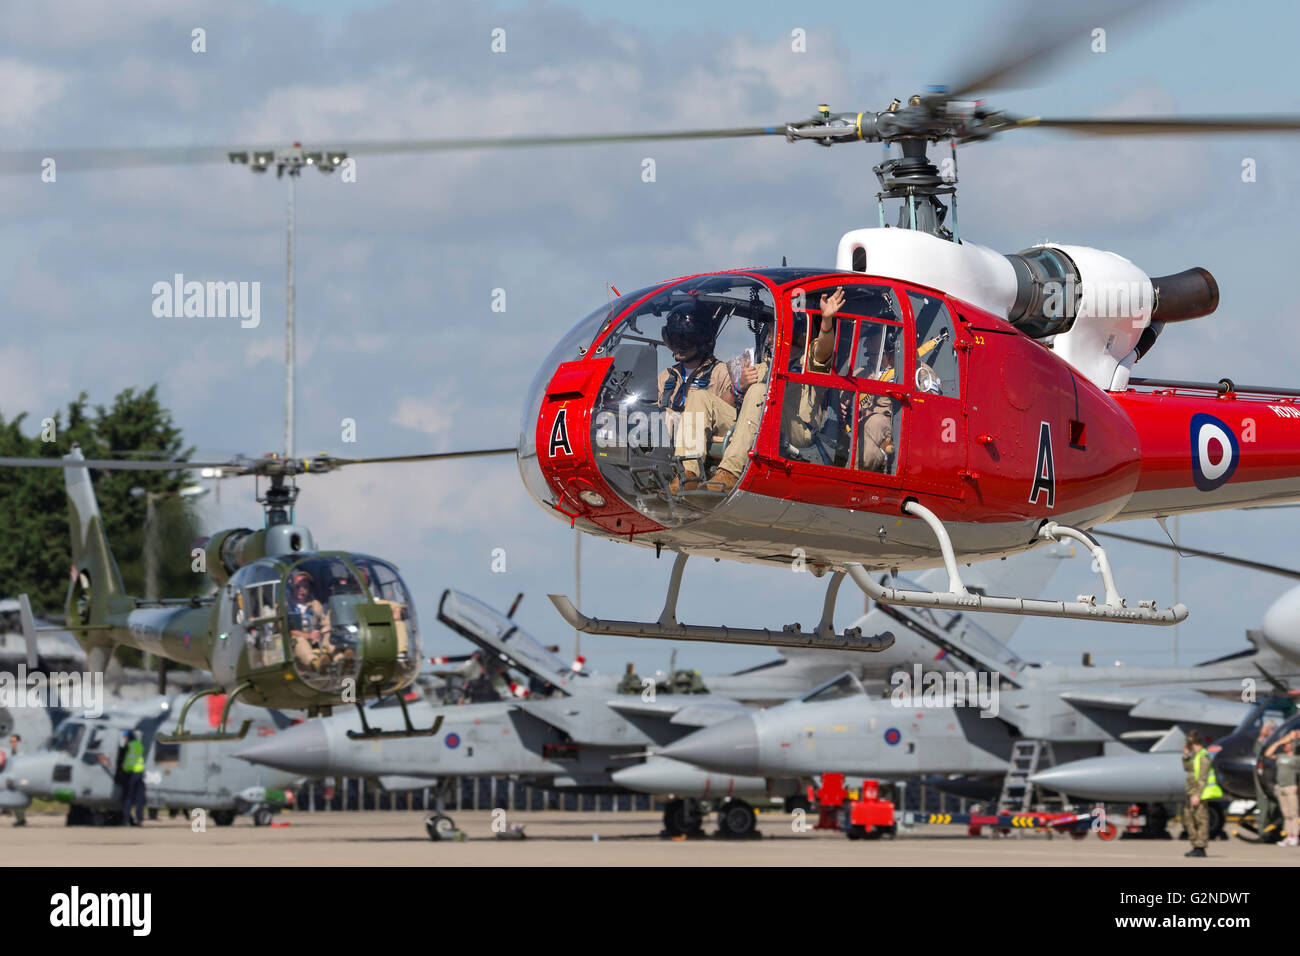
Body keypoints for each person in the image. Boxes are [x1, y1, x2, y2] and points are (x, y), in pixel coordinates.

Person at [707, 287, 847, 492]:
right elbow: (726, 405)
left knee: (758, 391)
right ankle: (689, 471)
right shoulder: (763, 365)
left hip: (800, 429)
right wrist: (738, 387)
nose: (770, 338)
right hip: (762, 426)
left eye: (775, 331)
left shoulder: (809, 362)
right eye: (770, 331)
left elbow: (823, 351)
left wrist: (826, 322)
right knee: (701, 398)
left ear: (795, 335)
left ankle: (729, 472)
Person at [657, 301, 736, 491]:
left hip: (709, 433)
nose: (678, 346)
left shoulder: (721, 372)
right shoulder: (666, 376)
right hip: (669, 442)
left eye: (685, 340)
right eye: (673, 340)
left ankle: (690, 474)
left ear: (702, 341)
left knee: (697, 399)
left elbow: (728, 415)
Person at [1182, 730, 1223, 857]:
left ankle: (1200, 847)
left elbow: (1202, 778)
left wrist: (1197, 795)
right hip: (1191, 792)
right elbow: (1188, 768)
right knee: (1189, 820)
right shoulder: (1196, 756)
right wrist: (1185, 757)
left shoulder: (1203, 756)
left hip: (1198, 793)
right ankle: (1195, 845)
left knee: (1201, 820)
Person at [288, 572, 332, 671]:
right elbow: (286, 630)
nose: (301, 590)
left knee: (328, 630)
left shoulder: (315, 604)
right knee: (298, 639)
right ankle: (315, 663)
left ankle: (340, 657)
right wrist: (308, 636)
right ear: (291, 587)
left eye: (305, 587)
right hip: (296, 642)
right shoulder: (285, 606)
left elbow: (323, 623)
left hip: (314, 640)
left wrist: (320, 632)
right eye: (298, 586)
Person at [1265, 729, 1300, 846]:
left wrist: (1295, 738)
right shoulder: (1280, 756)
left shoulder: (1296, 758)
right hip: (1281, 787)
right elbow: (1267, 754)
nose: (1286, 746)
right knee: (1286, 814)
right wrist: (1280, 742)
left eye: (1287, 744)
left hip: (1291, 787)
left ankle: (1295, 836)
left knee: (1293, 813)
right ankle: (1288, 836)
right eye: (1285, 745)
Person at [119, 729, 146, 826]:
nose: (125, 739)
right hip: (139, 773)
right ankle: (139, 820)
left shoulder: (128, 745)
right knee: (139, 798)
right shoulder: (139, 744)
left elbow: (122, 757)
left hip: (130, 773)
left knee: (128, 797)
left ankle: (126, 820)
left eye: (125, 737)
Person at [7, 734, 24, 827]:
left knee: (18, 799)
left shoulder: (21, 753)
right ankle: (20, 819)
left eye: (14, 741)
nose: (12, 743)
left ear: (18, 742)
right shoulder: (10, 753)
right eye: (11, 741)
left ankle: (21, 819)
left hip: (21, 779)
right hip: (12, 779)